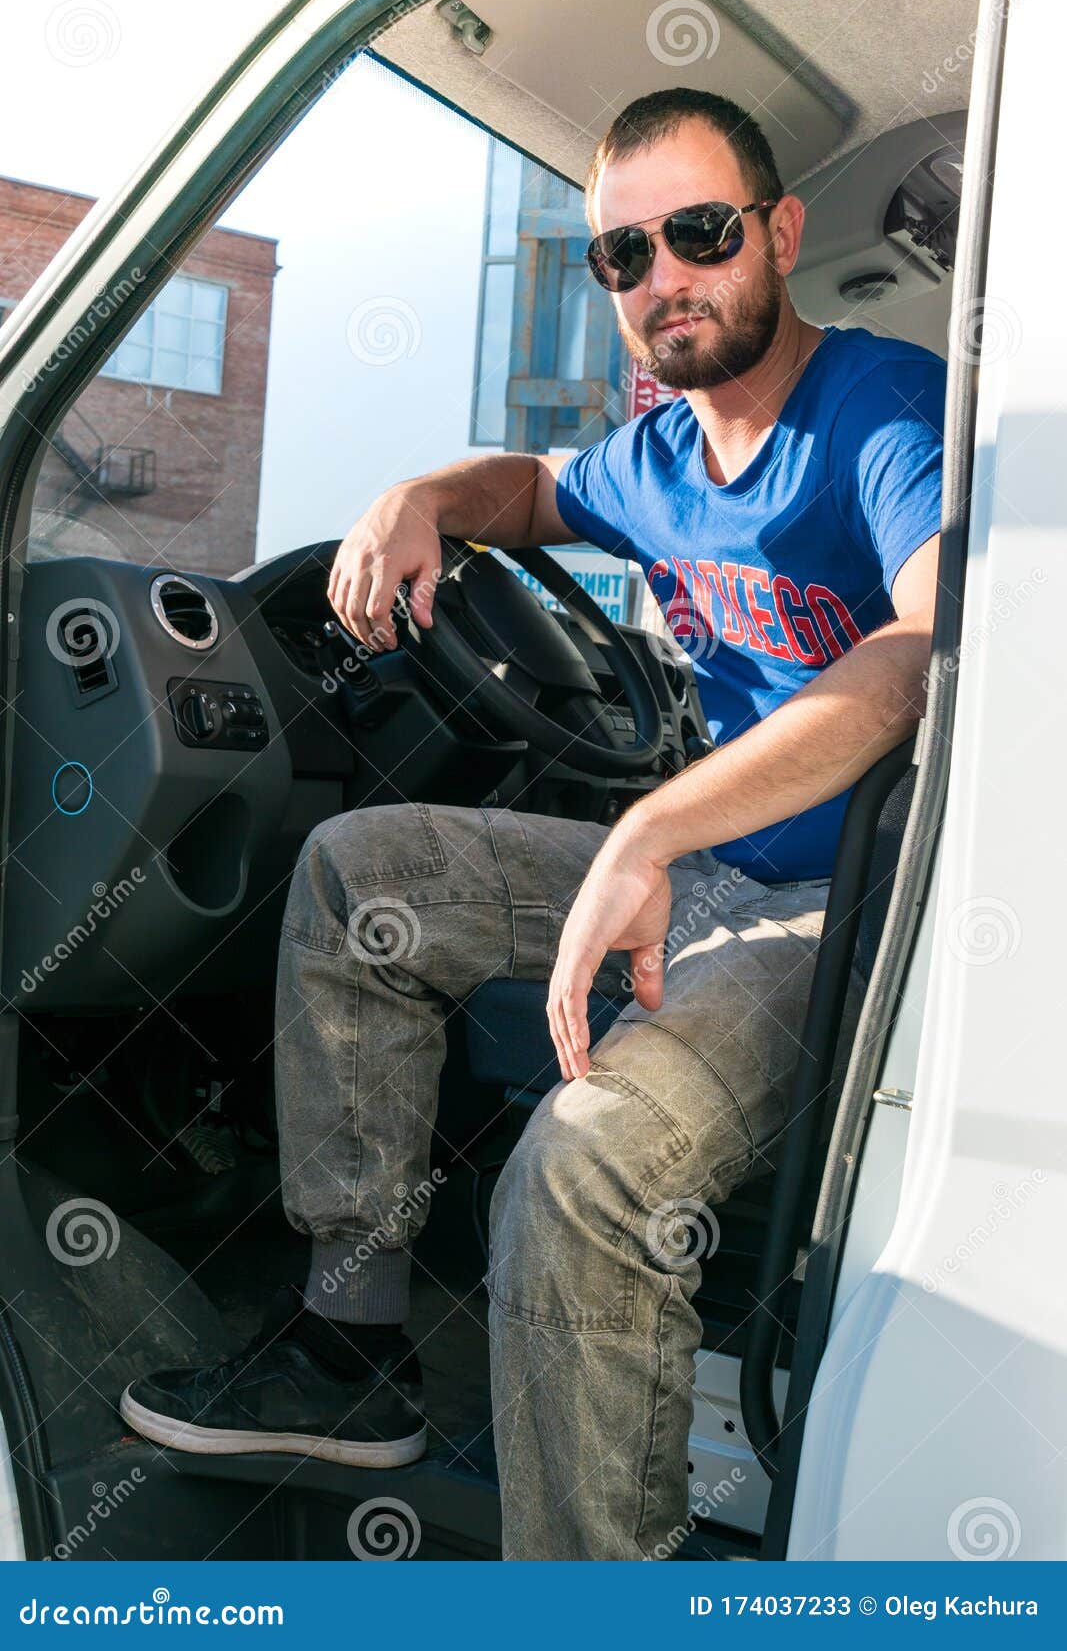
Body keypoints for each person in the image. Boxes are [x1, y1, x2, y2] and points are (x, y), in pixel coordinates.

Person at [120, 88, 944, 1561]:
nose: (661, 280)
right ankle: (351, 1350)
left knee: (580, 1164)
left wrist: (652, 830)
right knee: (362, 870)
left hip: (843, 913)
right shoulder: (663, 459)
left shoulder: (877, 408)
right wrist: (418, 493)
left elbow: (914, 659)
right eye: (621, 257)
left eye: (696, 234)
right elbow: (534, 488)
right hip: (707, 867)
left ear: (780, 232)